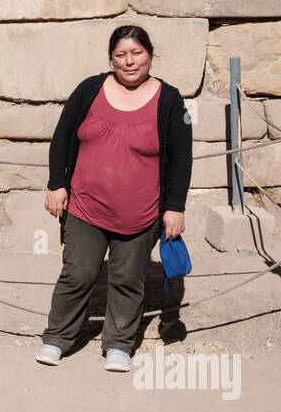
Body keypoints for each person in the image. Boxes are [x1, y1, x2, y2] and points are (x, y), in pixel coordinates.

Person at [36, 25, 192, 371]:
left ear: (149, 54)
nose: (129, 61)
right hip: (85, 207)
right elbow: (61, 137)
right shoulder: (90, 89)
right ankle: (57, 338)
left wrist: (175, 208)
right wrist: (55, 184)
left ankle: (119, 343)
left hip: (141, 212)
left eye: (136, 53)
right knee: (78, 273)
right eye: (121, 55)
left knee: (128, 278)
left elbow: (181, 157)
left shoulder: (169, 100)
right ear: (112, 58)